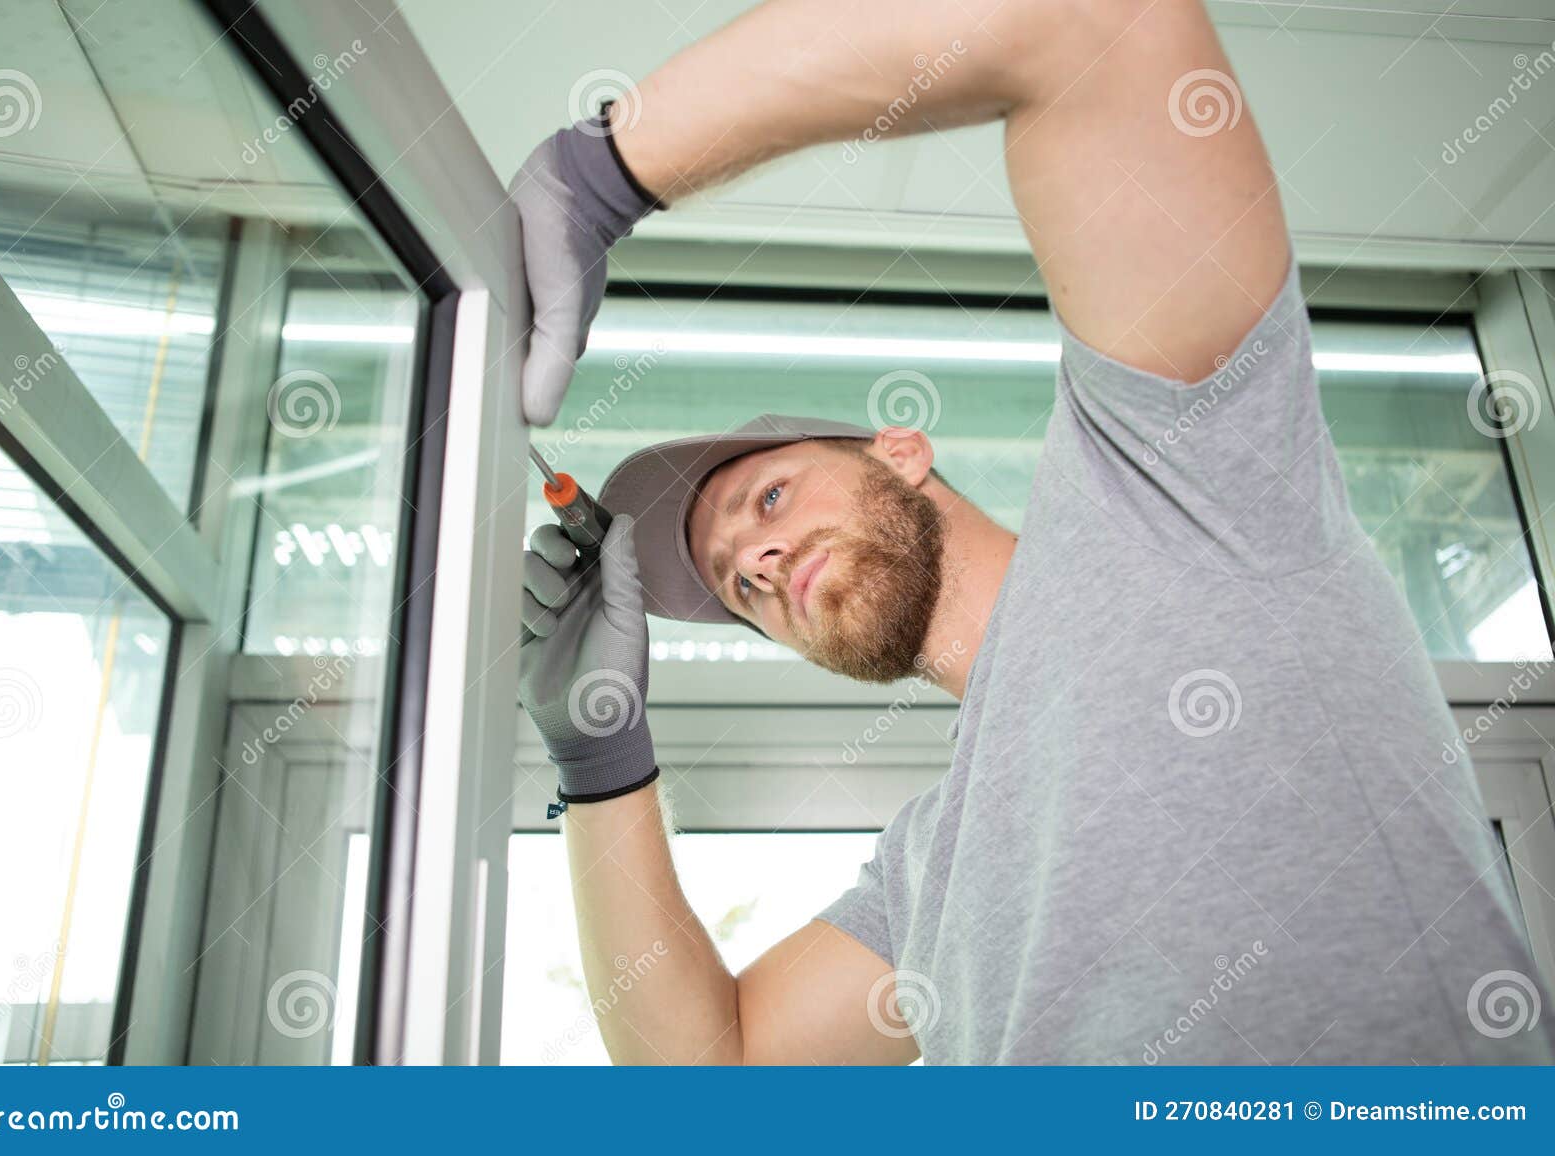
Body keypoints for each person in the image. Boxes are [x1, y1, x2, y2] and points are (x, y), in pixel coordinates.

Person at [511, 0, 1554, 1064]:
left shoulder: (1173, 484)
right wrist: (599, 758)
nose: (761, 561)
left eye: (768, 501)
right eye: (739, 586)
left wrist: (601, 176)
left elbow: (1091, 23)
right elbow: (708, 1078)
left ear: (899, 451)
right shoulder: (932, 870)